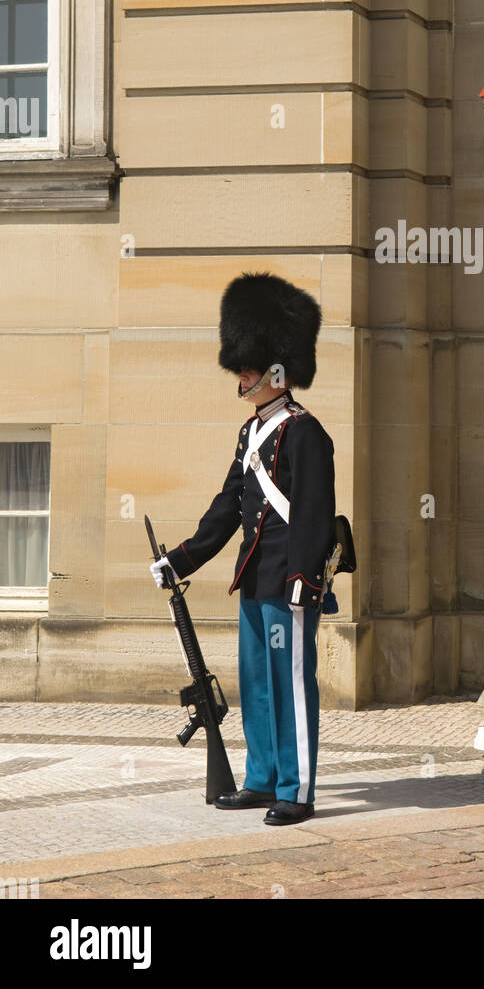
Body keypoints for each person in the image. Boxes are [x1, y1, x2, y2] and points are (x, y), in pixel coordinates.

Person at [149, 272, 336, 826]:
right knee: (256, 683)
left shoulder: (305, 432)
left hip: (289, 580)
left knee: (290, 685)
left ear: (277, 369)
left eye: (250, 366)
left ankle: (295, 789)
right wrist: (181, 558)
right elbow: (228, 507)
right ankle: (261, 779)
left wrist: (306, 576)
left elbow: (311, 514)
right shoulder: (250, 434)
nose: (243, 374)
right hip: (254, 579)